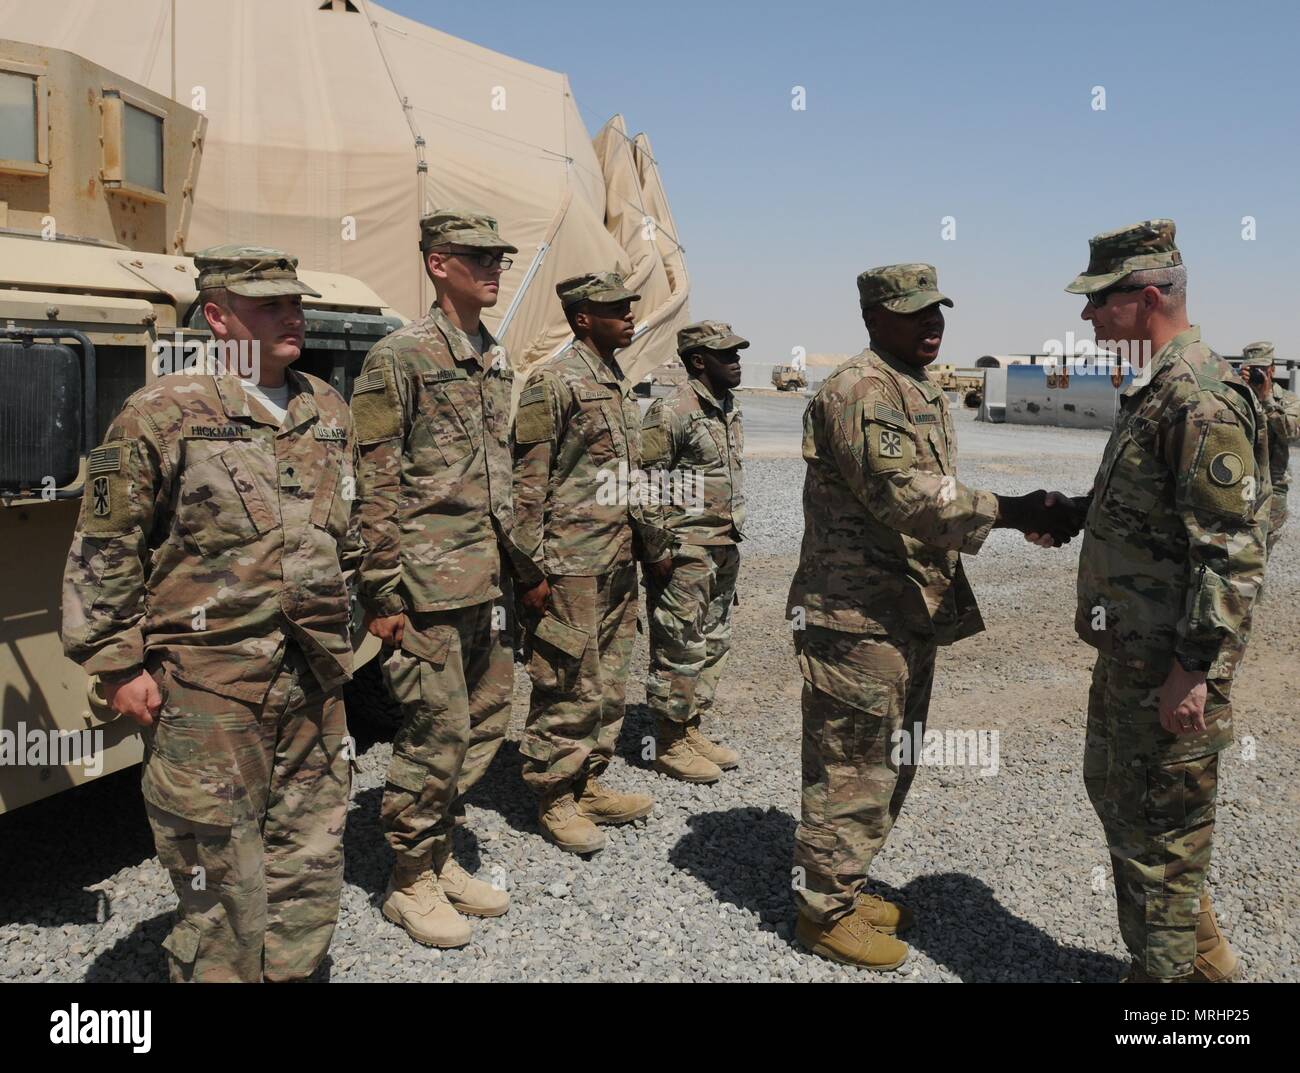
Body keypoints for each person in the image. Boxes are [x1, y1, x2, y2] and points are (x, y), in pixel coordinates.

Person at [61, 245, 359, 982]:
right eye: (270, 306)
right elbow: (104, 538)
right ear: (220, 318)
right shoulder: (158, 412)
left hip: (312, 679)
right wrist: (117, 660)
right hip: (207, 687)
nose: (293, 316)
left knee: (310, 853)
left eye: (297, 303)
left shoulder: (325, 407)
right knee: (214, 866)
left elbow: (348, 530)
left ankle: (292, 970)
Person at [786, 263, 1079, 970]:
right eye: (913, 312)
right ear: (873, 318)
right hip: (855, 617)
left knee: (889, 757)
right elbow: (905, 496)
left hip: (901, 611)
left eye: (936, 310)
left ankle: (844, 885)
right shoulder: (860, 388)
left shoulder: (914, 387)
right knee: (851, 764)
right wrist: (1014, 511)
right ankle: (822, 911)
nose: (932, 323)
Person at [1049, 220, 1268, 982]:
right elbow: (1160, 513)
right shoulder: (1153, 389)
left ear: (1146, 298)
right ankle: (1204, 961)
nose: (1087, 319)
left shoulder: (1200, 398)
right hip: (1131, 656)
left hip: (1170, 667)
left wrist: (1193, 668)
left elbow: (1233, 552)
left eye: (1098, 303)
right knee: (1125, 806)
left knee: (1163, 842)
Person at [351, 209, 523, 947]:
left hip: (484, 580)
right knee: (434, 730)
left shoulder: (492, 354)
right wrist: (382, 591)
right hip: (423, 587)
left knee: (483, 721)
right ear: (437, 264)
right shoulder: (401, 356)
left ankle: (440, 850)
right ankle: (408, 881)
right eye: (477, 257)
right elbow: (375, 481)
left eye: (498, 258)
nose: (494, 268)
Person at [511, 271, 673, 854]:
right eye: (615, 309)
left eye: (629, 306)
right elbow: (526, 486)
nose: (629, 315)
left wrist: (653, 546)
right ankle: (553, 793)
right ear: (583, 318)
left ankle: (588, 778)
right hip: (569, 562)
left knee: (609, 676)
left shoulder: (617, 382)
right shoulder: (552, 382)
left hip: (615, 557)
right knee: (567, 677)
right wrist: (531, 571)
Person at [640, 321, 748, 783]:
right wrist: (659, 550)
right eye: (726, 354)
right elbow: (646, 484)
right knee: (679, 646)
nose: (737, 360)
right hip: (686, 550)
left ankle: (691, 725)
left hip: (723, 545)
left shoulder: (728, 408)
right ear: (698, 360)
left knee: (714, 642)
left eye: (738, 352)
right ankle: (668, 742)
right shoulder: (672, 411)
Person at [1239, 341, 1300, 552]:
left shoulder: (1287, 400)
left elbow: (1292, 433)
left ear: (1272, 369)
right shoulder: (1236, 396)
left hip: (1273, 486)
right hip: (1241, 482)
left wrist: (1266, 400)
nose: (1257, 374)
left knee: (1263, 547)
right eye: (1251, 369)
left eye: (1261, 369)